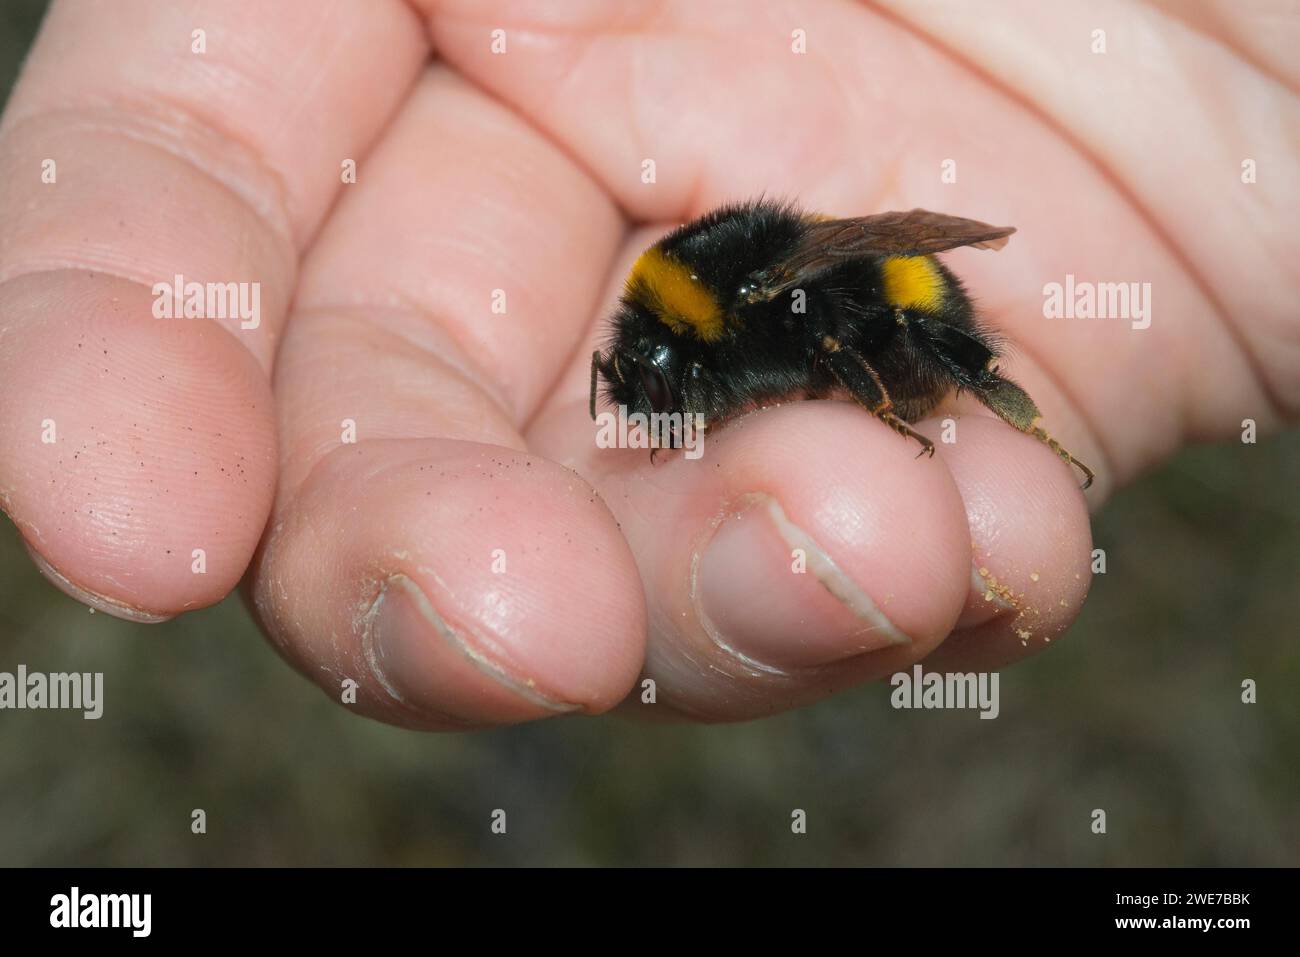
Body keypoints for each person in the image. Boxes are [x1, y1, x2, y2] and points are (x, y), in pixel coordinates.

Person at [0, 0, 1294, 728]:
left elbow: (841, 320)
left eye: (666, 371)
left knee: (873, 338)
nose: (666, 387)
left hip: (898, 289)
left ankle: (1025, 431)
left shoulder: (771, 301)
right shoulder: (700, 306)